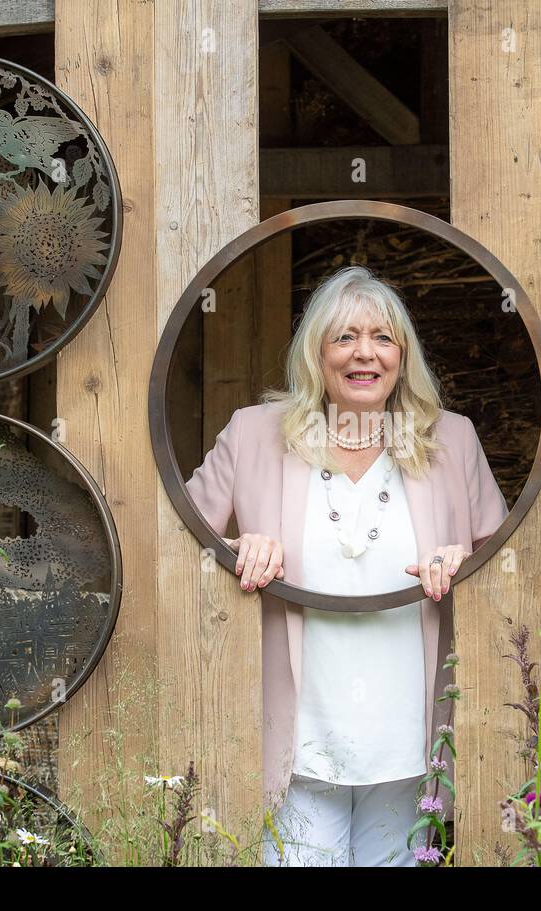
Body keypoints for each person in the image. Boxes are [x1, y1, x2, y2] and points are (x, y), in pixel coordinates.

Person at [184, 265, 508, 866]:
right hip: (299, 736)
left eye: (383, 338)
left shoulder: (452, 439)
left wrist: (464, 559)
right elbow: (175, 543)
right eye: (345, 337)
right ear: (316, 353)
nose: (366, 354)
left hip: (409, 739)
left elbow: (509, 564)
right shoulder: (254, 434)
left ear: (403, 355)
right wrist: (236, 552)